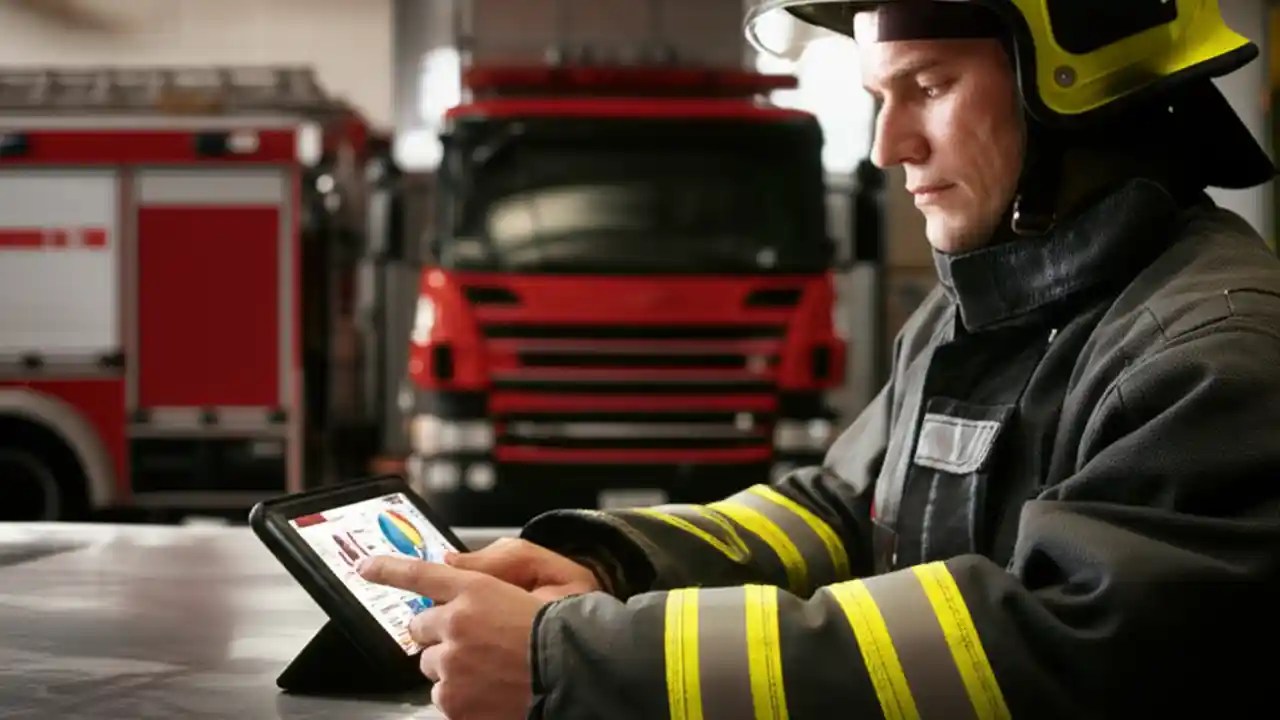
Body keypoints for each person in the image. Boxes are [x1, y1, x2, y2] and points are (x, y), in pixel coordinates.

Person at [359, 1, 1280, 718]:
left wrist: (576, 659)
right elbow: (847, 514)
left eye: (929, 86)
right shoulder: (980, 313)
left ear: (1080, 90)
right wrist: (607, 569)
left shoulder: (1213, 354)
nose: (889, 148)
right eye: (881, 100)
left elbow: (1067, 651)